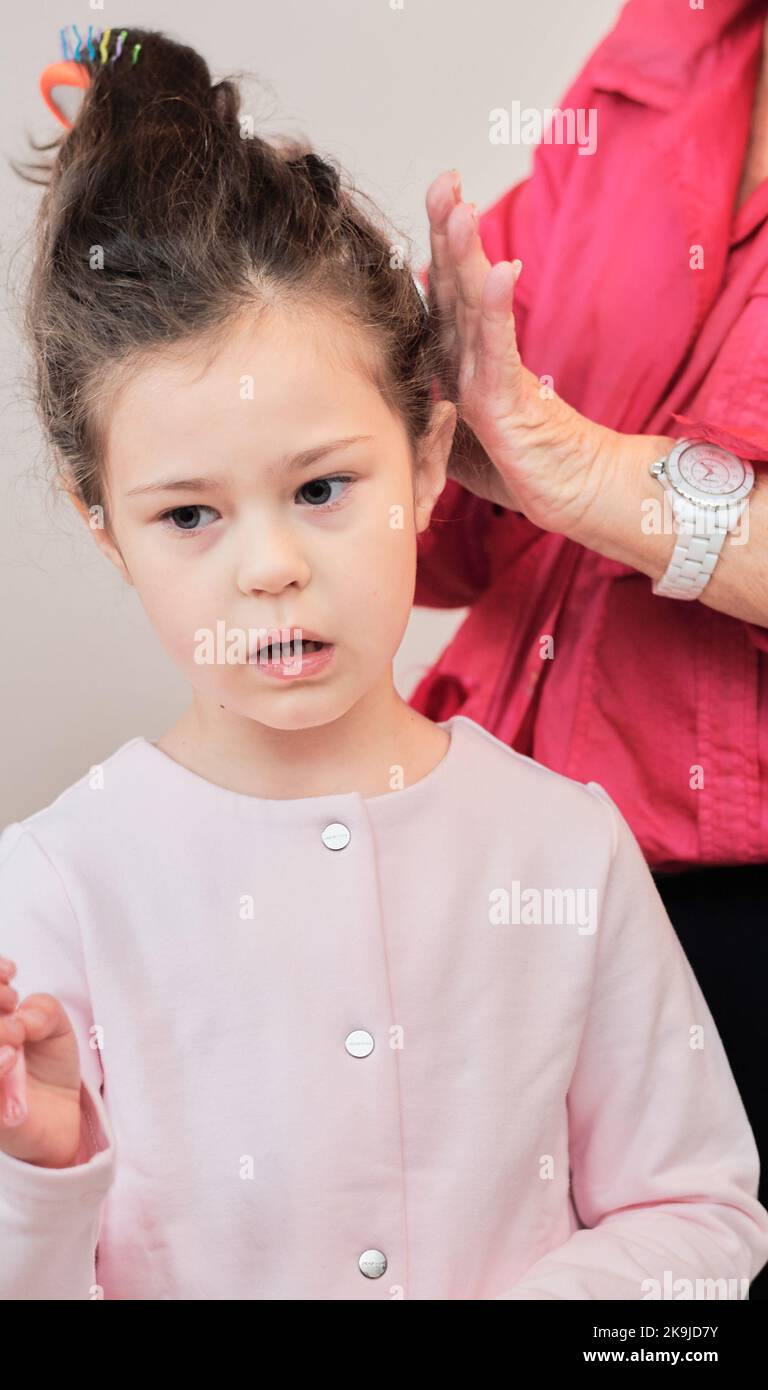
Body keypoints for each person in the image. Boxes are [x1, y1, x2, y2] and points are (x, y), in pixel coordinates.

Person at [0, 28, 768, 1300]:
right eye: (188, 514)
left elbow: (695, 1213)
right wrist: (33, 1168)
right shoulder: (66, 881)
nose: (268, 569)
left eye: (318, 487)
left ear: (425, 461)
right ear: (107, 531)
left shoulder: (565, 848)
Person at [411, 0, 768, 1297]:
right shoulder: (664, 48)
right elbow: (461, 531)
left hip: (731, 922)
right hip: (503, 865)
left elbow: (553, 464)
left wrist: (568, 467)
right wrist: (391, 430)